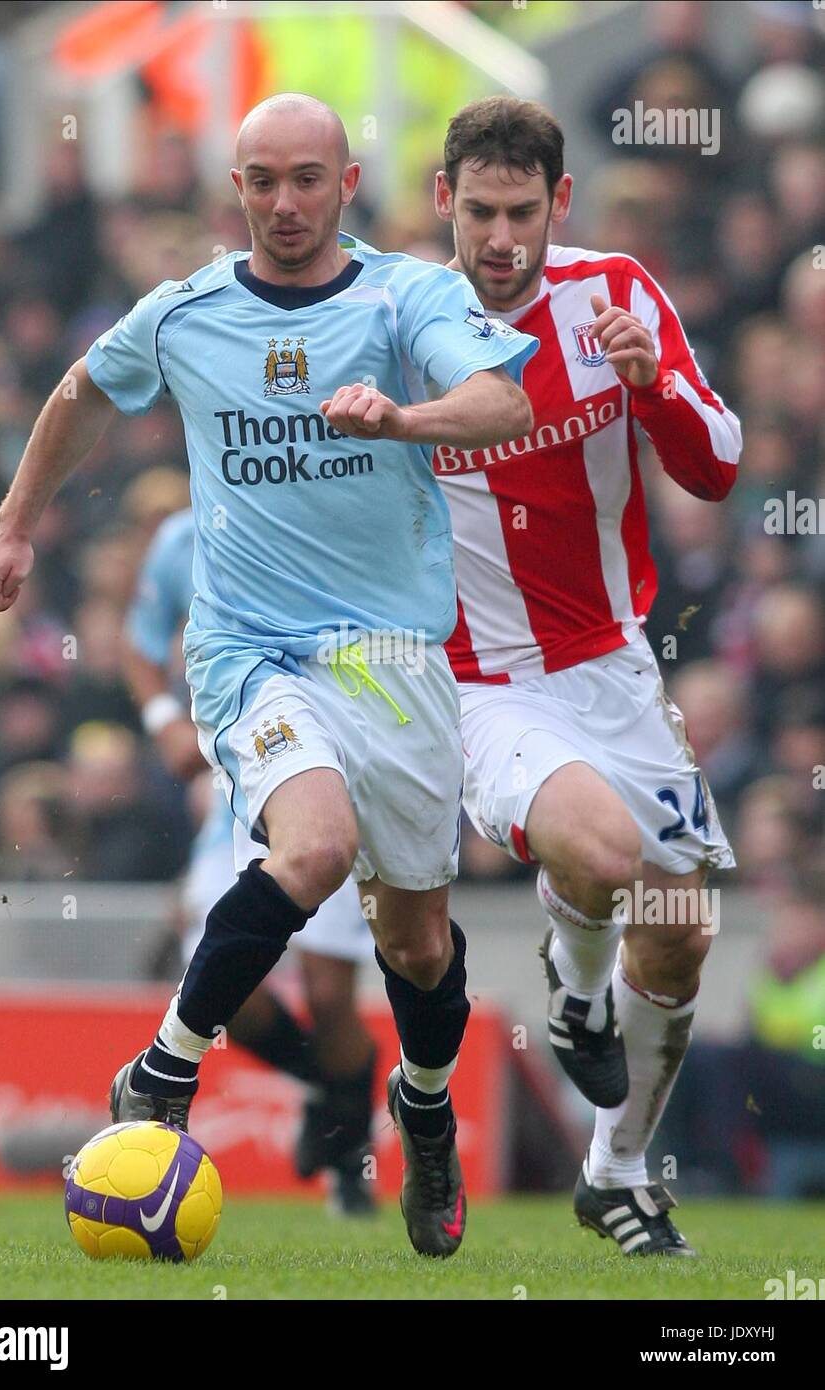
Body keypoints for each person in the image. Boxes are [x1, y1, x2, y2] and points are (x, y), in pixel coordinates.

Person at [0, 93, 538, 1259]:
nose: (283, 204)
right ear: (235, 187)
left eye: (305, 180)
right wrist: (14, 527)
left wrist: (403, 416)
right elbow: (81, 388)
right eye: (260, 181)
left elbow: (505, 399)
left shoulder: (406, 295)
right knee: (312, 846)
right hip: (249, 650)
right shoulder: (184, 314)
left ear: (345, 180)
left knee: (416, 946)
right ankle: (163, 1068)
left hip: (391, 661)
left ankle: (420, 1105)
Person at [432, 96, 741, 1255]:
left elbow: (715, 468)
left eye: (520, 213)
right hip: (476, 678)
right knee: (603, 852)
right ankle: (571, 989)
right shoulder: (402, 313)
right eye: (477, 213)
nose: (498, 239)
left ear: (558, 204)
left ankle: (614, 1174)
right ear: (440, 204)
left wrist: (651, 380)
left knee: (679, 931)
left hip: (609, 663)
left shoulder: (614, 291)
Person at [124, 506, 379, 1214]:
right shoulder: (182, 537)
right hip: (247, 773)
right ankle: (336, 1094)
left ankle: (349, 1166)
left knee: (331, 998)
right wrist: (164, 721)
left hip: (347, 766)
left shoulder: (348, 505)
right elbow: (138, 645)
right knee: (229, 988)